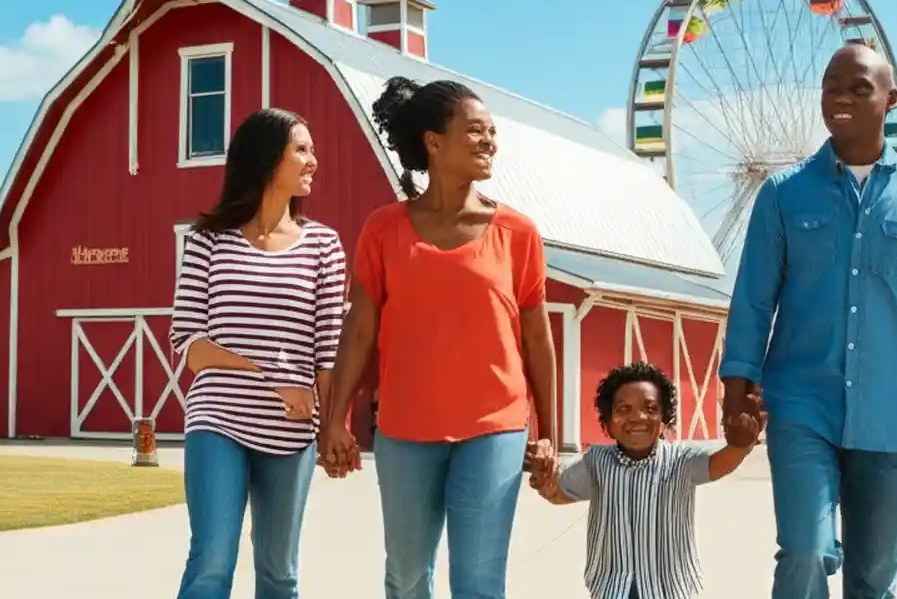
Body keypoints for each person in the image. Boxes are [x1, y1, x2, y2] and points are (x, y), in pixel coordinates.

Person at [720, 42, 897, 598]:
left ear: (892, 99)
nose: (841, 98)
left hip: (890, 415)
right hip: (800, 408)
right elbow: (753, 303)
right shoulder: (782, 197)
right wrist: (735, 395)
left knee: (874, 580)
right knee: (806, 551)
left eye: (859, 87)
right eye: (831, 87)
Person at [319, 76, 559, 599]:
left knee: (478, 580)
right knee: (406, 577)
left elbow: (538, 341)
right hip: (405, 429)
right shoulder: (382, 229)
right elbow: (359, 330)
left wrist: (548, 432)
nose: (489, 141)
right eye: (474, 131)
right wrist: (335, 418)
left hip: (495, 427)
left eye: (492, 132)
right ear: (434, 142)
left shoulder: (518, 233)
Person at [168, 107, 347, 599]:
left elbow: (327, 351)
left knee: (279, 572)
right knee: (211, 560)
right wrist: (274, 376)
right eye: (302, 150)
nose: (314, 161)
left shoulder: (324, 246)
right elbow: (192, 346)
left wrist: (333, 423)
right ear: (269, 160)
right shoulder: (208, 240)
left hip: (291, 433)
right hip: (217, 420)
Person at [529, 363, 765, 599]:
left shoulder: (680, 461)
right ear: (609, 424)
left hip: (668, 587)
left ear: (664, 420)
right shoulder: (597, 462)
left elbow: (719, 464)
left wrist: (741, 445)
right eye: (624, 409)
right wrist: (548, 486)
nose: (638, 417)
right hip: (613, 588)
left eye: (650, 408)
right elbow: (562, 491)